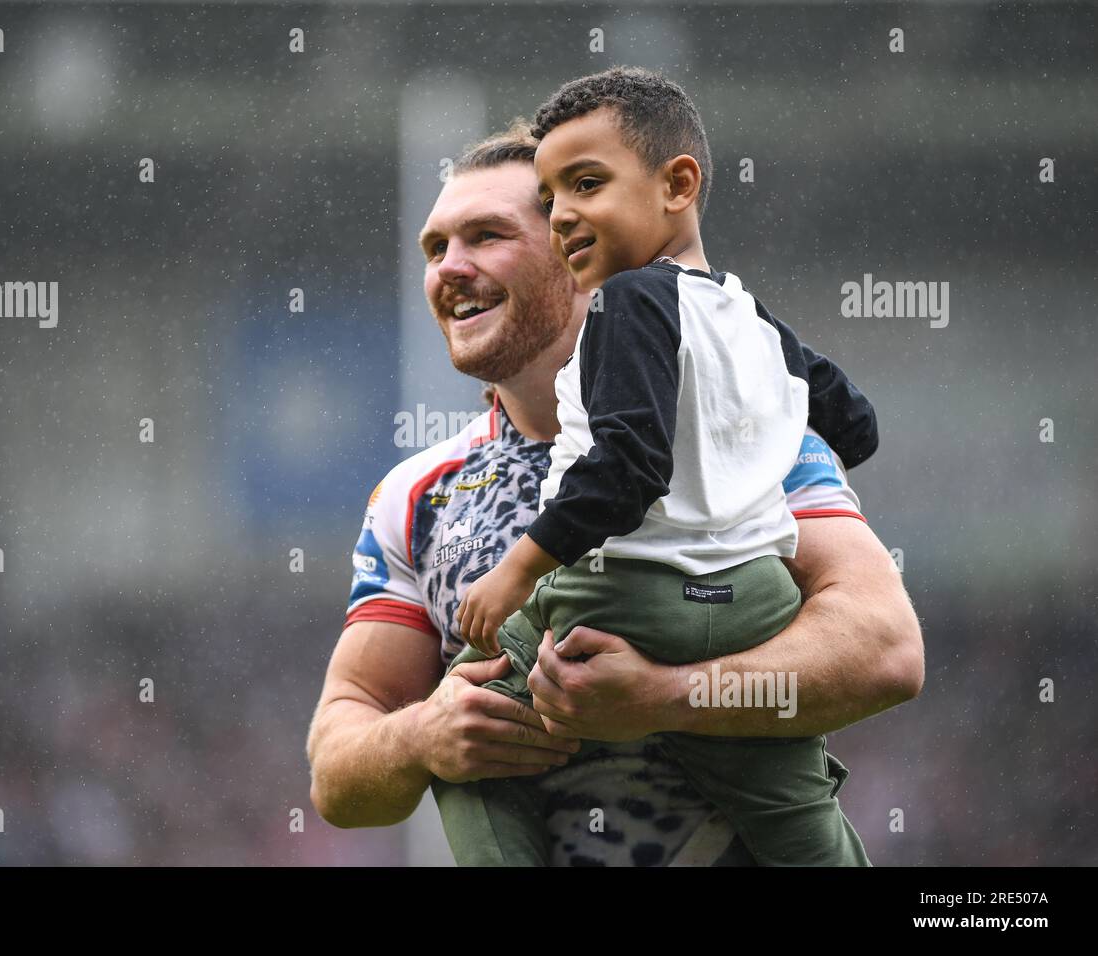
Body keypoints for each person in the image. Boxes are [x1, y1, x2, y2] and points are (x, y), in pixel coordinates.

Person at [307, 119, 923, 868]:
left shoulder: (737, 428)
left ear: (576, 248)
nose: (449, 269)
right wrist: (420, 735)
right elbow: (338, 775)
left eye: (486, 236)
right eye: (436, 248)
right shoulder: (416, 495)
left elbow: (886, 652)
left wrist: (670, 696)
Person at [437, 66, 875, 865]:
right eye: (550, 199)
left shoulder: (624, 301)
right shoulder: (752, 318)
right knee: (800, 828)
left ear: (678, 185)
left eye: (587, 183)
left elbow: (627, 468)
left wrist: (514, 573)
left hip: (627, 591)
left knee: (463, 732)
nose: (564, 213)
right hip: (754, 599)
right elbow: (856, 423)